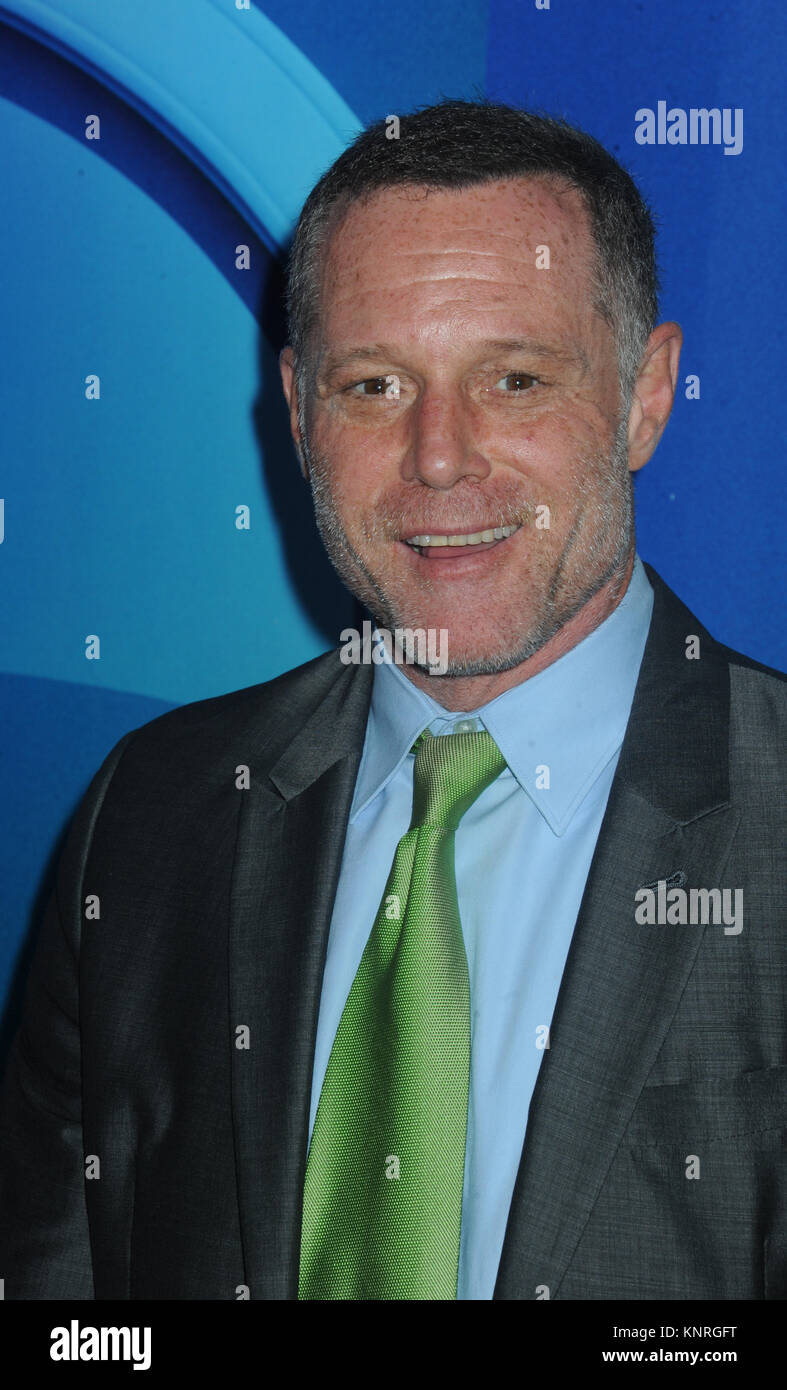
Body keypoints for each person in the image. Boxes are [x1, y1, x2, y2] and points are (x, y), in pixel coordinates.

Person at [0, 98, 785, 1302]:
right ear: (299, 409)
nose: (436, 455)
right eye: (373, 386)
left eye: (514, 378)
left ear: (645, 395)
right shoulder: (151, 816)